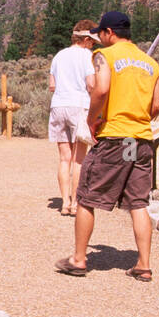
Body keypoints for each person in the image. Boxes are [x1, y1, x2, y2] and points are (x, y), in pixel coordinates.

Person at [55, 11, 159, 281]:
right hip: (140, 138)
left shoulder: (106, 56)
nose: (100, 39)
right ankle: (143, 265)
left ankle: (79, 259)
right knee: (138, 202)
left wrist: (92, 121)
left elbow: (101, 90)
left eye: (101, 34)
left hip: (114, 136)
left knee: (87, 197)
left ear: (109, 33)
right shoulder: (151, 62)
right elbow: (158, 104)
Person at [48, 19, 98, 215]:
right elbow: (91, 84)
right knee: (79, 159)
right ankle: (76, 203)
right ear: (85, 39)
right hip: (79, 105)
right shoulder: (87, 56)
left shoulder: (59, 56)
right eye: (92, 41)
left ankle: (64, 202)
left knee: (63, 159)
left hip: (59, 105)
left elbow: (52, 85)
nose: (93, 45)